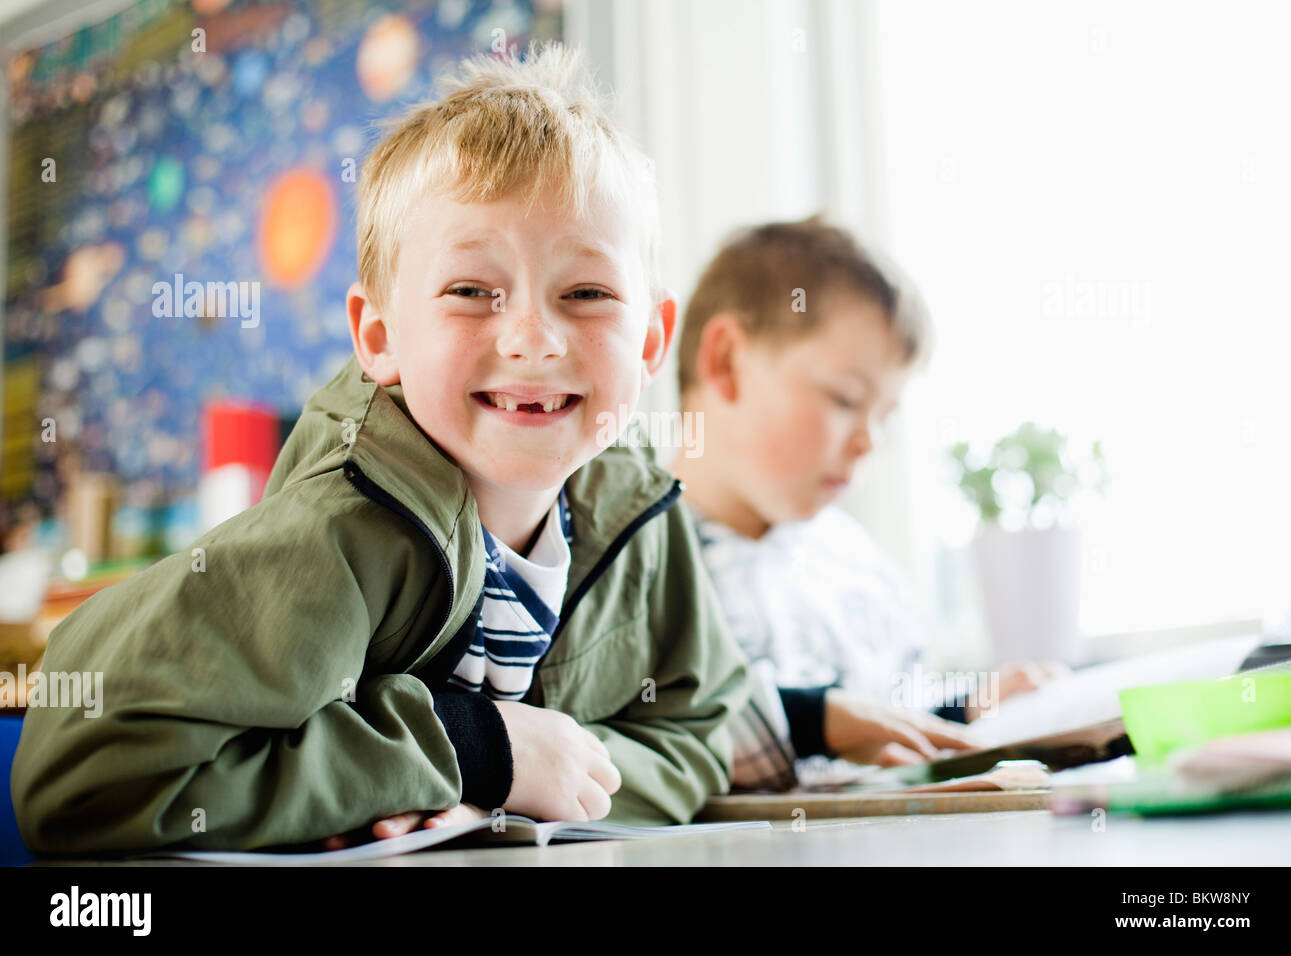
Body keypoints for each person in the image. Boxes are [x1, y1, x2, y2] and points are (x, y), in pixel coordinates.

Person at [11, 43, 750, 854]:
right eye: (472, 291)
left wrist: (523, 792)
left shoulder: (642, 516)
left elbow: (698, 736)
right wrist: (468, 751)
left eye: (588, 294)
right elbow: (75, 776)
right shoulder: (335, 532)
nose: (534, 338)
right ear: (379, 335)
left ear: (651, 343)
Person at [672, 218, 1062, 791]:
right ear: (727, 361)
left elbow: (881, 727)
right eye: (845, 399)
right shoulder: (638, 560)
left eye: (883, 415)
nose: (870, 441)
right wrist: (813, 723)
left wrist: (961, 714)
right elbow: (655, 732)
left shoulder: (857, 566)